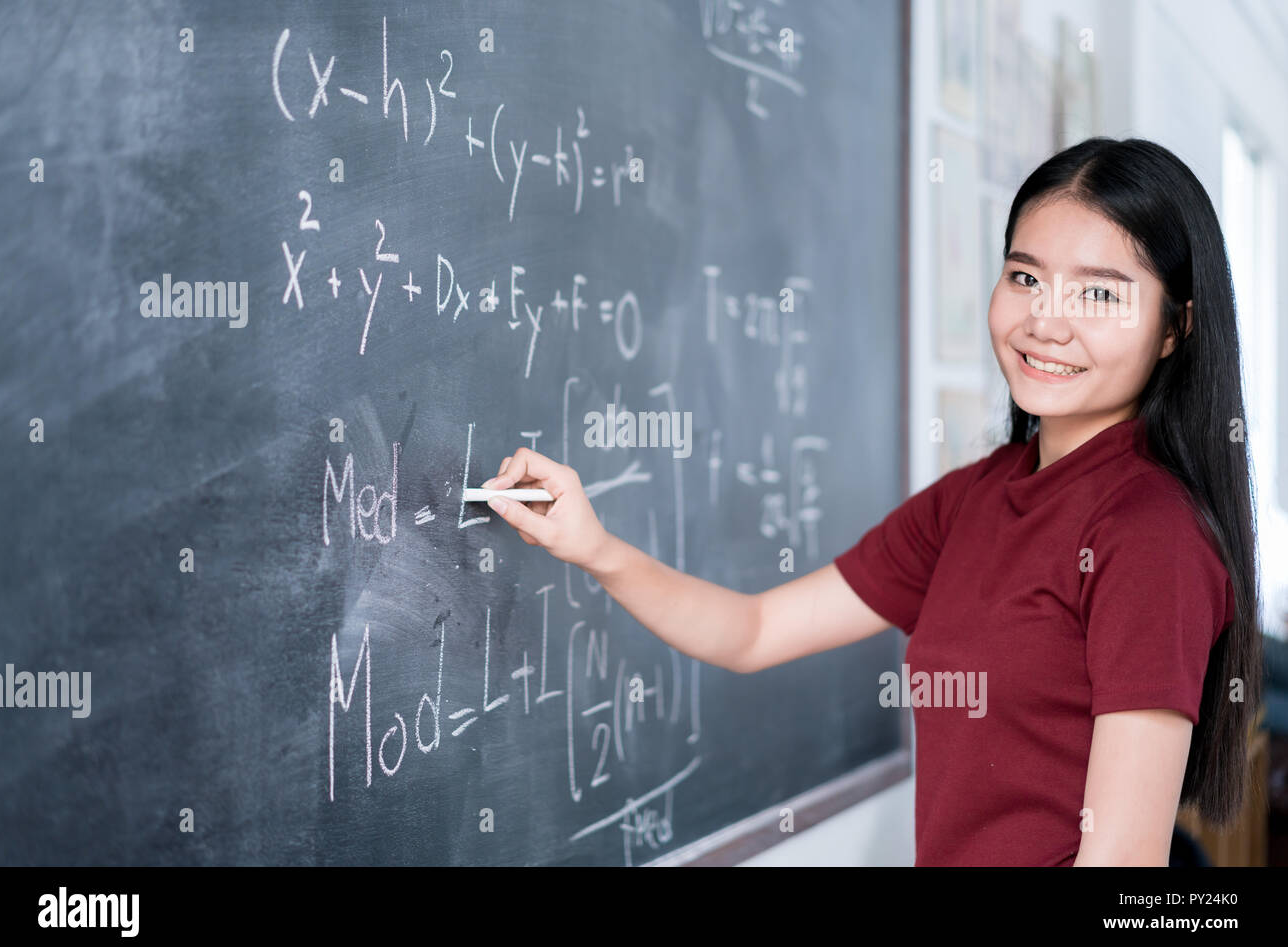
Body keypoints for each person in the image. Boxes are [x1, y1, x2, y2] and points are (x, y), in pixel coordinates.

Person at [480, 137, 1261, 866]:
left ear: (1173, 329)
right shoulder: (977, 496)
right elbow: (753, 631)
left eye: (1099, 294)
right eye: (1025, 277)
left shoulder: (1150, 534)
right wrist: (597, 547)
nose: (1046, 321)